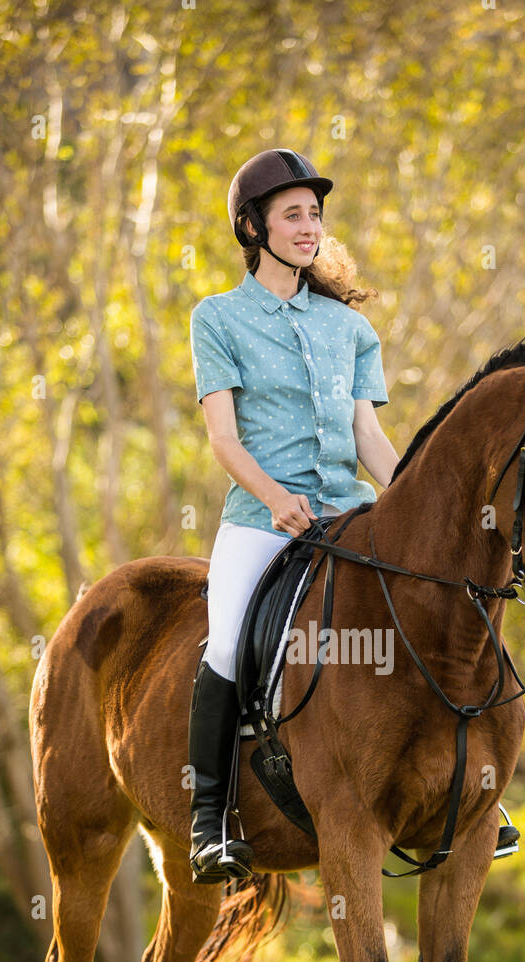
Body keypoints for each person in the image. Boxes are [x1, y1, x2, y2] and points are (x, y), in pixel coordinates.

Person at [187, 148, 399, 883]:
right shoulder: (217, 319)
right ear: (254, 228)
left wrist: (410, 501)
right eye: (293, 215)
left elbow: (366, 435)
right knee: (223, 645)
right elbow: (224, 438)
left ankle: (475, 793)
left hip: (351, 512)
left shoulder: (347, 327)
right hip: (261, 519)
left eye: (315, 214)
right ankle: (208, 821)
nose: (309, 228)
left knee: (443, 600)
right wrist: (277, 498)